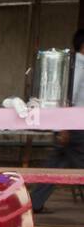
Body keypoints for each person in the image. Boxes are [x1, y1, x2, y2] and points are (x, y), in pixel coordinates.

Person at [30, 28, 84, 212]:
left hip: (71, 128)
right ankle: (34, 203)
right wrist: (62, 128)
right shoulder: (77, 66)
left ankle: (35, 203)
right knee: (68, 166)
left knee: (55, 166)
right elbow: (67, 98)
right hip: (74, 128)